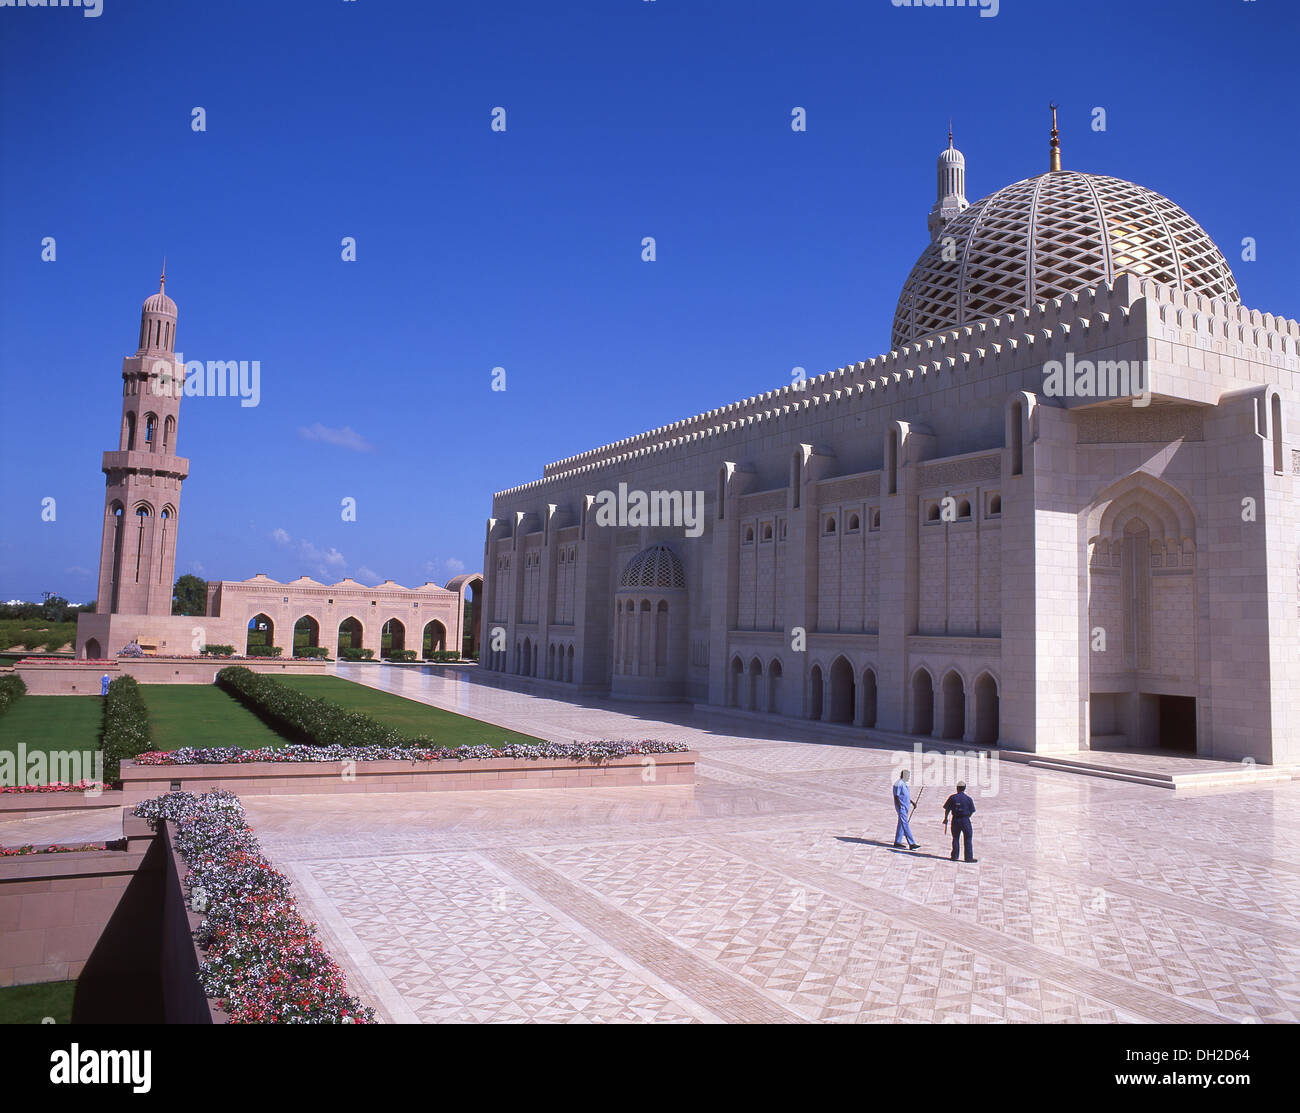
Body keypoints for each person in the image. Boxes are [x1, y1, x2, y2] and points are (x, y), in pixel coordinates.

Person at [942, 781, 978, 863]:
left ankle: (954, 856)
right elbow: (972, 810)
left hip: (955, 820)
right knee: (968, 838)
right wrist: (967, 816)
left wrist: (945, 818)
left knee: (955, 838)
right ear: (964, 788)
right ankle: (968, 858)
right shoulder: (968, 799)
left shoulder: (952, 798)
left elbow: (947, 809)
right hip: (965, 820)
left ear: (957, 788)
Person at [892, 769, 920, 850]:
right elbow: (896, 796)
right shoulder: (898, 784)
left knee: (901, 824)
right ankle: (911, 843)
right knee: (905, 824)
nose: (908, 778)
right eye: (908, 776)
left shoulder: (903, 783)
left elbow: (904, 795)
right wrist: (899, 806)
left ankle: (897, 842)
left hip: (905, 806)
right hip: (902, 808)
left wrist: (912, 802)